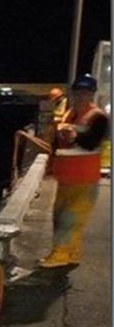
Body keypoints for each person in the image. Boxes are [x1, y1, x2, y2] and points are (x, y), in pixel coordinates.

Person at [39, 74, 109, 268]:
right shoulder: (70, 113)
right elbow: (59, 144)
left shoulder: (98, 117)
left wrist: (73, 137)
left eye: (86, 93)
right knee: (61, 215)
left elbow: (91, 144)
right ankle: (72, 253)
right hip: (67, 177)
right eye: (78, 92)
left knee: (69, 219)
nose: (81, 97)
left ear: (92, 94)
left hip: (84, 179)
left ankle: (60, 255)